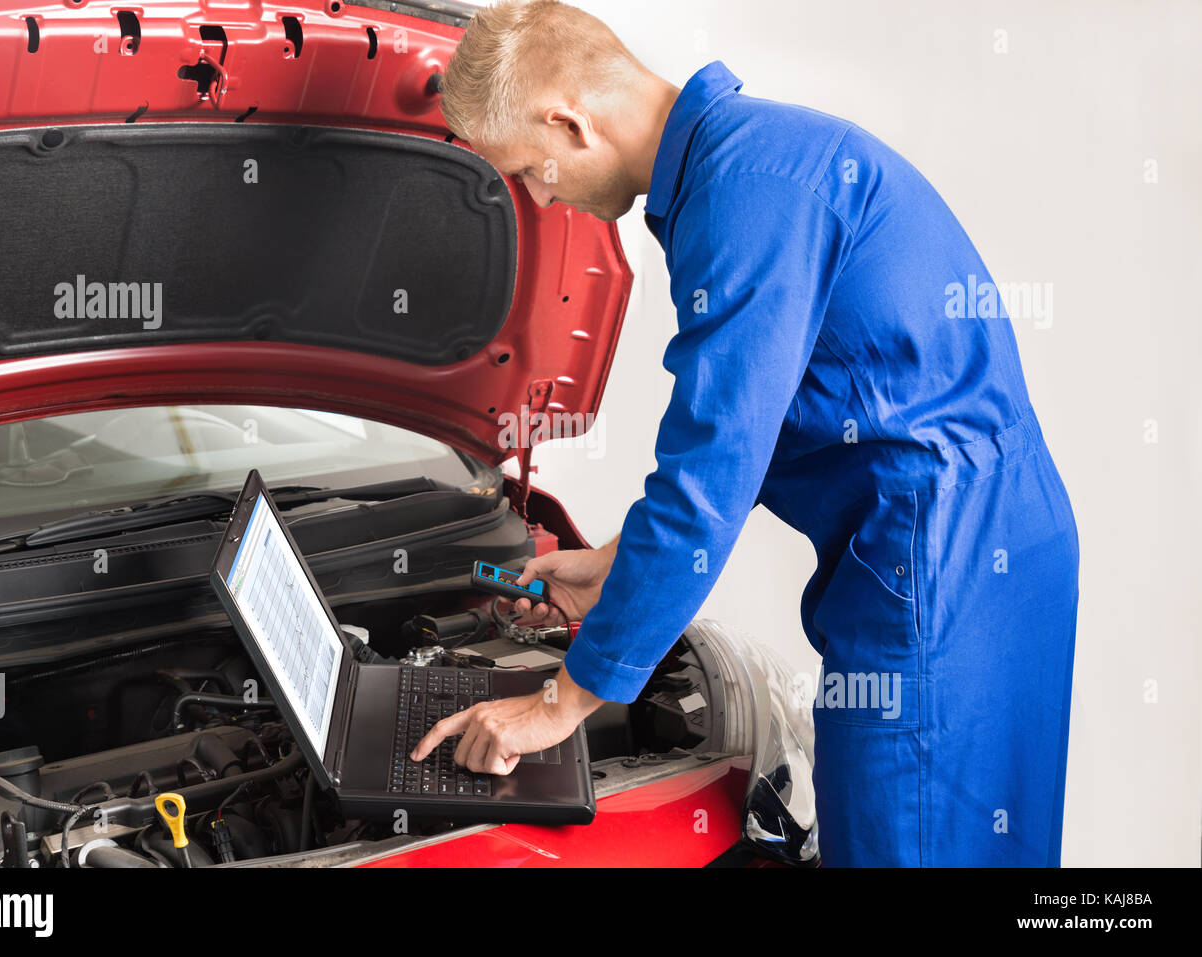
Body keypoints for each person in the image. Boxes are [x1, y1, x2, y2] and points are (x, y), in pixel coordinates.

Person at [410, 0, 1080, 867]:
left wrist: (560, 703)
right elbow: (756, 433)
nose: (540, 196)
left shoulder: (748, 198)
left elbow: (708, 480)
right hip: (978, 542)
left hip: (945, 566)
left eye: (530, 171)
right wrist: (614, 566)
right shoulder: (752, 163)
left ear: (567, 122)